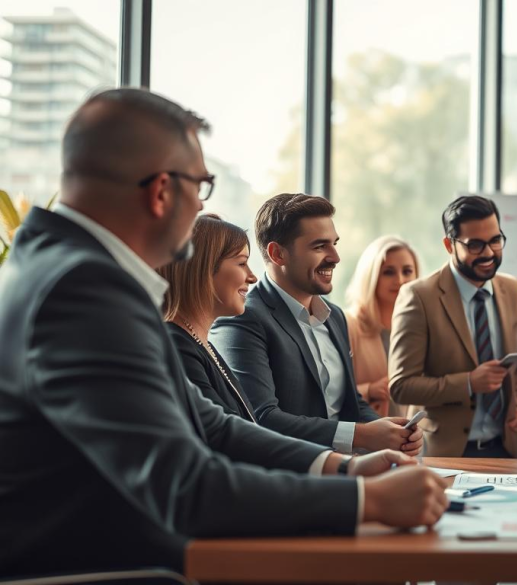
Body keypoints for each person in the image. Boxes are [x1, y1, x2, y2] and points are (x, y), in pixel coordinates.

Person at [0, 89, 447, 575]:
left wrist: (343, 467)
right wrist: (365, 501)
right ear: (162, 192)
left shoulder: (64, 270)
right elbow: (184, 486)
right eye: (202, 185)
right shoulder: (84, 291)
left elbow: (209, 422)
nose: (200, 206)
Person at [210, 193, 422, 456]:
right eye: (320, 246)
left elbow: (349, 402)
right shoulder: (243, 319)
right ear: (278, 254)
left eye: (334, 244)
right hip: (293, 480)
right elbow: (261, 418)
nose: (335, 257)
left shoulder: (334, 316)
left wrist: (392, 430)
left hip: (352, 469)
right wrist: (362, 435)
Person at [389, 195, 517, 458]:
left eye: (495, 240)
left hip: (505, 448)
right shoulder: (418, 296)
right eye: (475, 244)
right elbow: (401, 386)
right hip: (444, 452)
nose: (488, 253)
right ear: (449, 245)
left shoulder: (513, 289)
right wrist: (468, 383)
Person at [158, 214, 259, 421]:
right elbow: (223, 433)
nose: (253, 276)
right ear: (203, 269)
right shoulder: (178, 347)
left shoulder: (200, 345)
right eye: (242, 263)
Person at [345, 235, 421, 417]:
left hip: (416, 436)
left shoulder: (421, 325)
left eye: (407, 271)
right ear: (370, 277)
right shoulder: (348, 325)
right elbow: (328, 391)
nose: (401, 280)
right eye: (389, 272)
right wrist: (369, 390)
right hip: (368, 436)